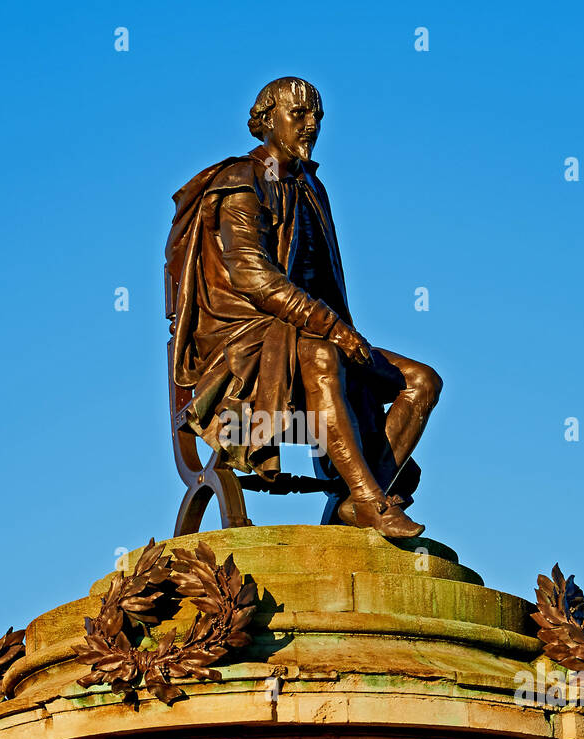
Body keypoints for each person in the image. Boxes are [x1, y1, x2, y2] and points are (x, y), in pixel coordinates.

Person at [166, 77, 441, 537]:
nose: (311, 125)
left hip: (311, 332)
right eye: (299, 114)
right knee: (321, 353)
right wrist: (332, 328)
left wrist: (341, 333)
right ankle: (373, 501)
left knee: (422, 380)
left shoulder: (312, 187)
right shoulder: (240, 181)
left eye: (318, 116)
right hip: (243, 342)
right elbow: (254, 276)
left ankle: (356, 499)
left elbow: (326, 284)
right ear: (267, 119)